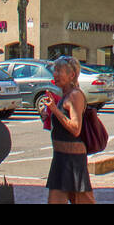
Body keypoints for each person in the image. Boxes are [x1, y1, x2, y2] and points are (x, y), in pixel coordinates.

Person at [44, 55, 94, 205]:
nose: (55, 74)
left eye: (59, 71)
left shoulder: (75, 96)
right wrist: (48, 114)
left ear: (71, 75)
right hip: (60, 157)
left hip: (73, 160)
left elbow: (76, 129)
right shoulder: (65, 96)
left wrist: (55, 110)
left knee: (83, 201)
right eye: (55, 71)